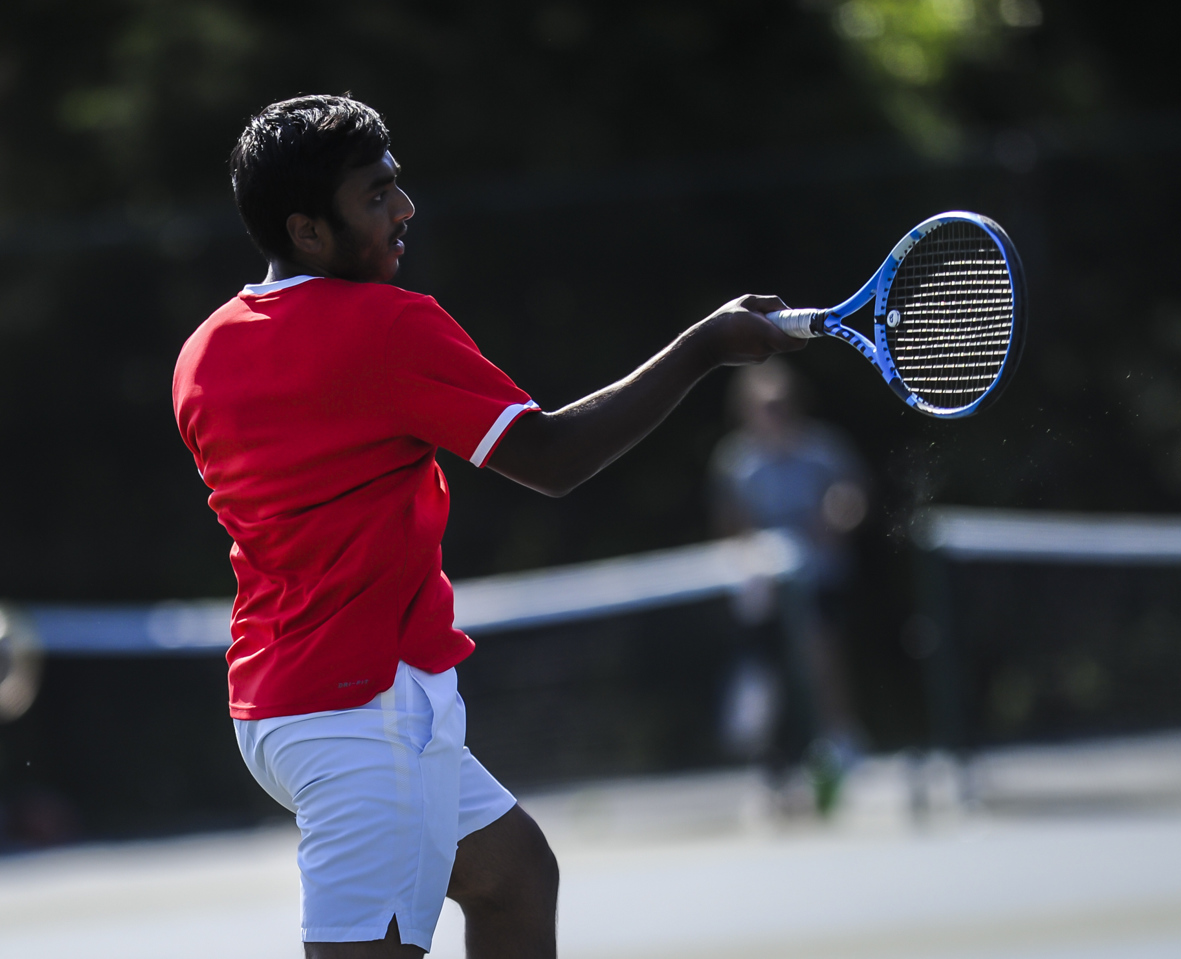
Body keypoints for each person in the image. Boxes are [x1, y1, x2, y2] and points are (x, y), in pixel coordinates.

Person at [172, 95, 802, 959]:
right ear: (307, 231)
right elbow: (551, 458)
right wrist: (703, 348)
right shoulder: (389, 326)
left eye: (396, 184)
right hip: (365, 710)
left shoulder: (202, 353)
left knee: (513, 878)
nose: (404, 208)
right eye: (375, 194)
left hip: (279, 711)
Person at [709, 360, 869, 796]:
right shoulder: (736, 462)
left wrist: (835, 518)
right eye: (765, 406)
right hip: (764, 588)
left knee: (822, 653)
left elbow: (850, 500)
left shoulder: (824, 449)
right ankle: (768, 764)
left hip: (819, 581)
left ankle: (841, 742)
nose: (774, 414)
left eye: (781, 404)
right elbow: (732, 526)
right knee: (762, 672)